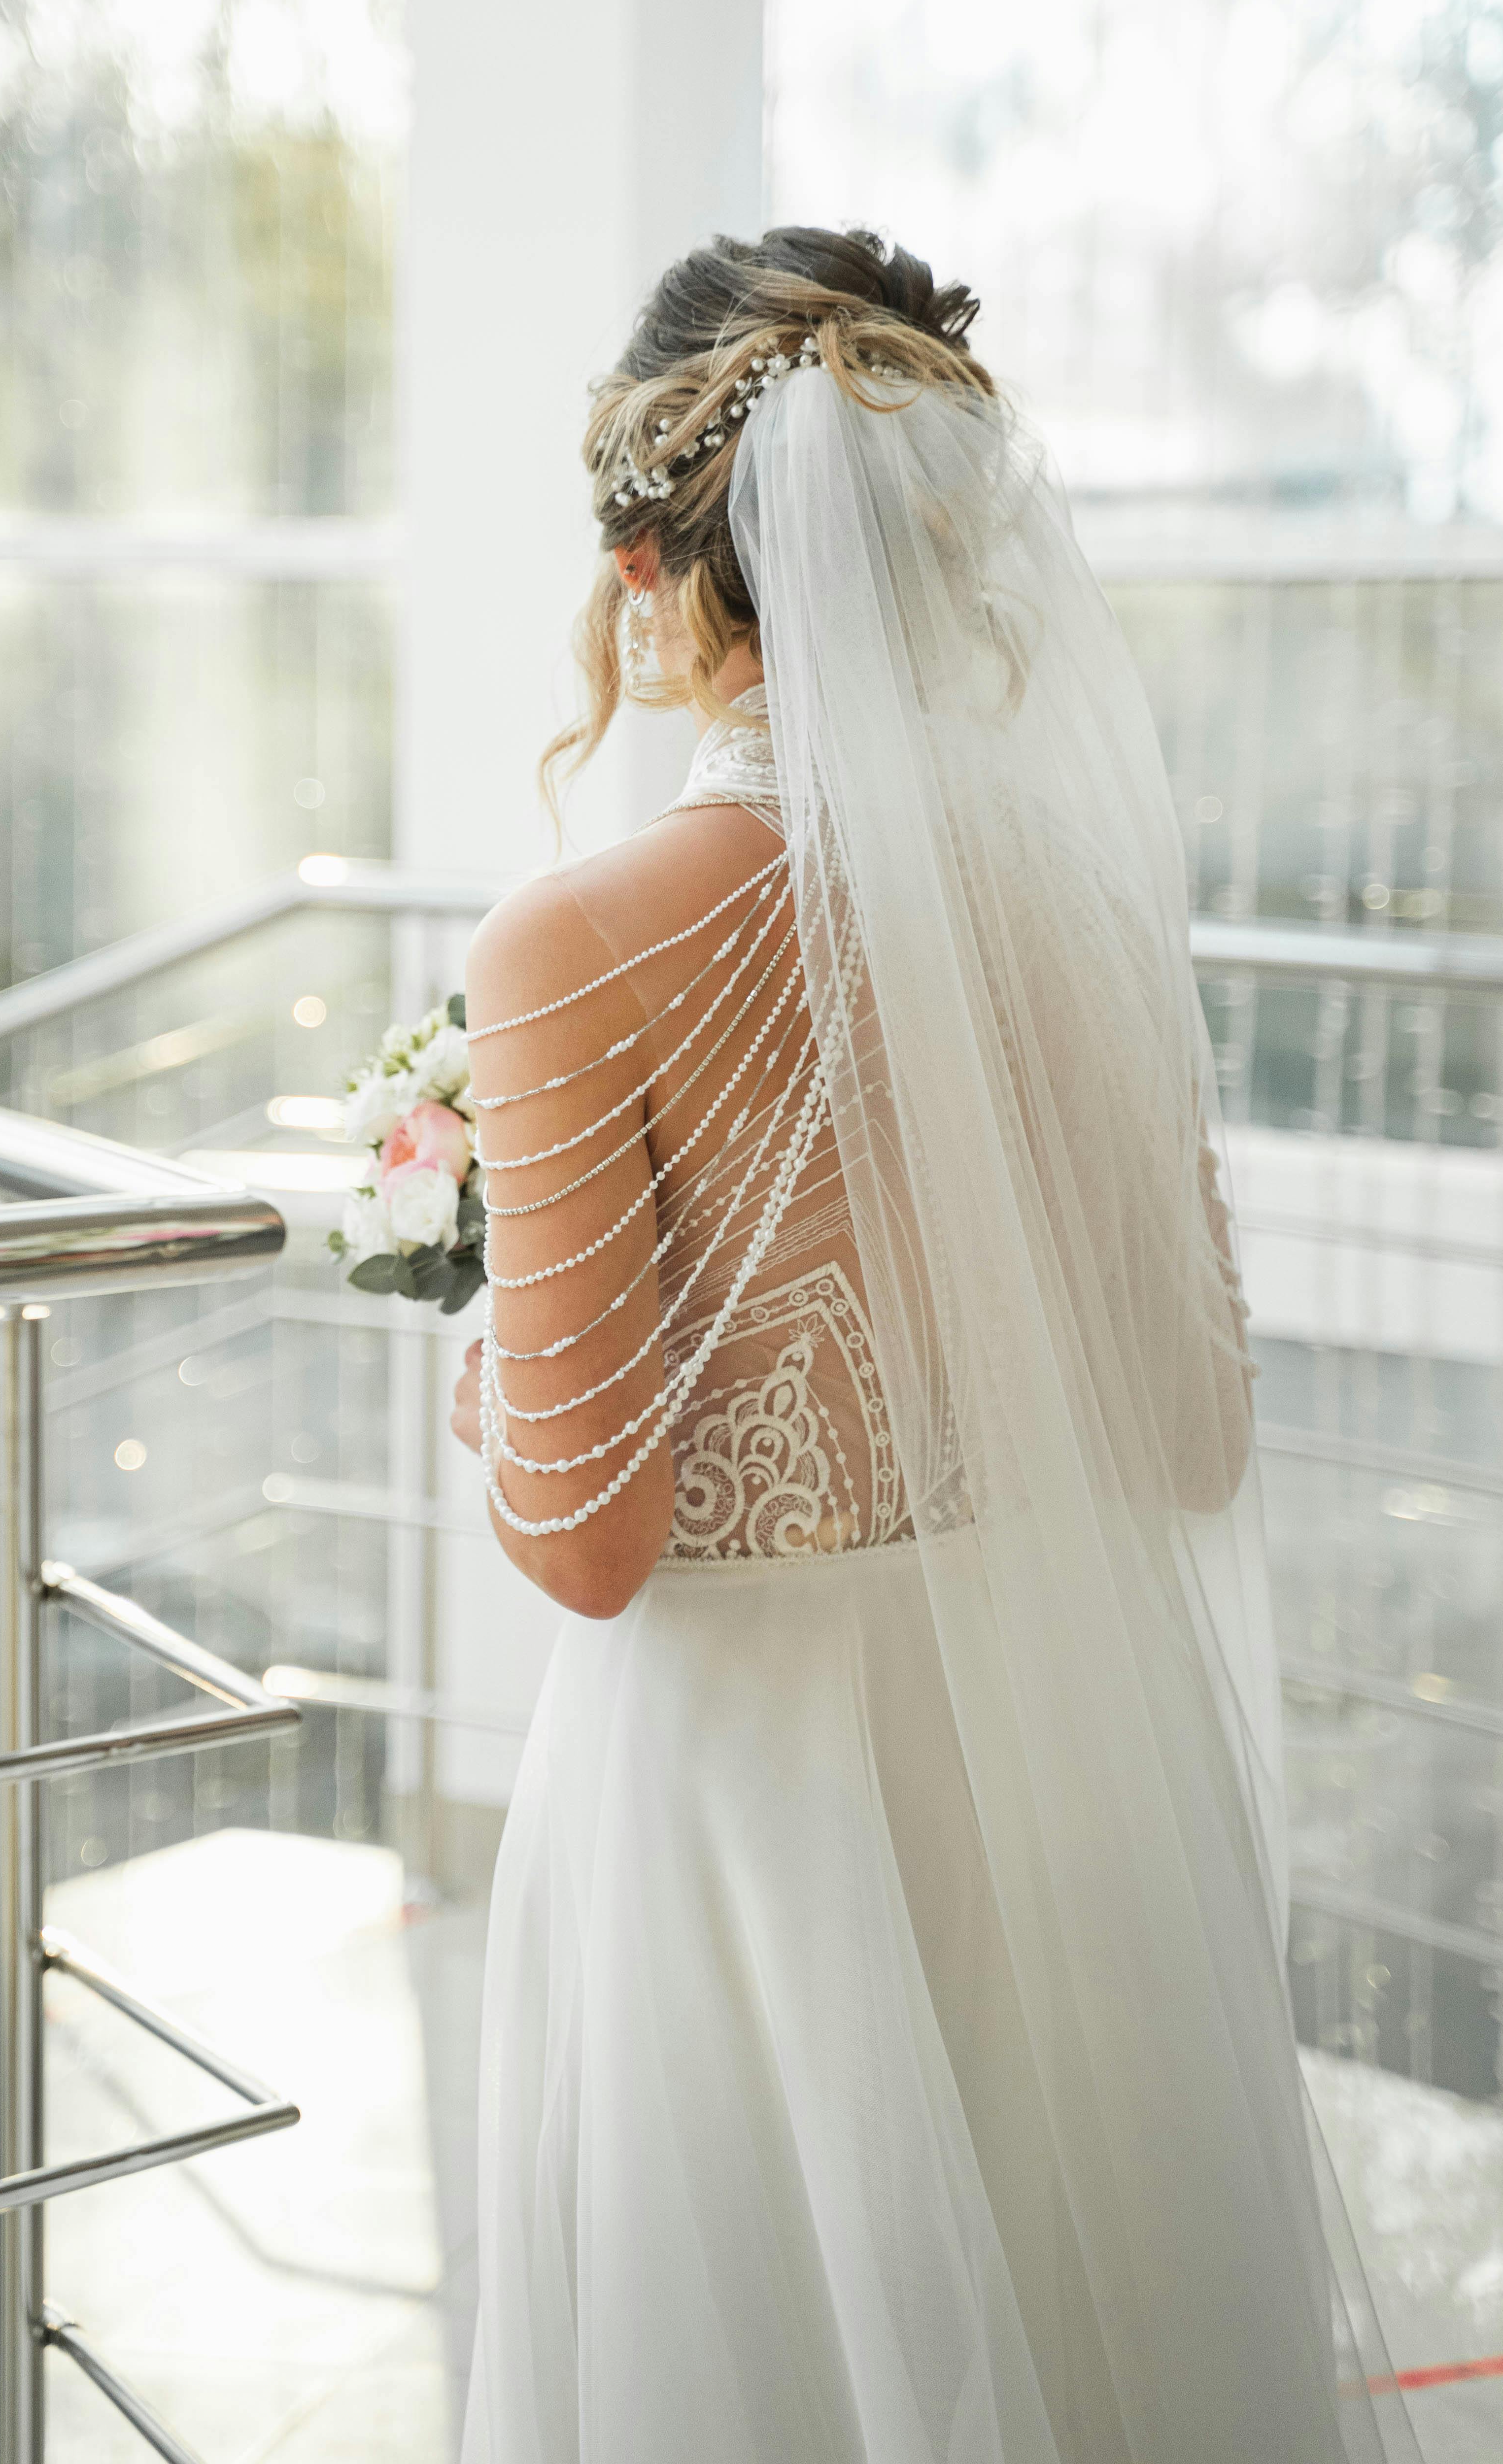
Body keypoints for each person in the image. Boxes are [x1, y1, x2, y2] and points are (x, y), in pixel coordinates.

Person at [446, 227, 1415, 2463]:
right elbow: (1186, 1434)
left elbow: (588, 1547)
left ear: (649, 571)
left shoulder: (572, 940)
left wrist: (485, 1361)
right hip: (1056, 1776)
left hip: (744, 1816)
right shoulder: (1078, 907)